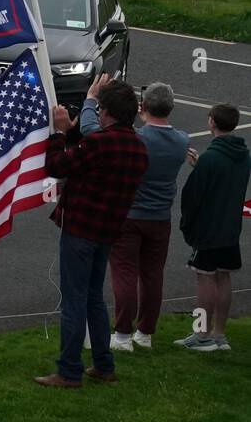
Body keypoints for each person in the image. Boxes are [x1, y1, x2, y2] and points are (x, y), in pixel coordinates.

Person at [36, 80, 148, 388]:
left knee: (73, 300)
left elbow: (57, 166)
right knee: (93, 298)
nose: (96, 115)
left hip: (80, 229)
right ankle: (103, 363)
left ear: (108, 113)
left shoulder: (100, 143)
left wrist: (59, 134)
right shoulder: (138, 146)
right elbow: (88, 161)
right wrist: (72, 134)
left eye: (99, 110)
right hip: (108, 231)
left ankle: (69, 370)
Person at [79, 77, 189, 351]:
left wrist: (91, 100)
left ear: (142, 107)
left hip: (129, 214)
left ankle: (124, 334)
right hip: (161, 217)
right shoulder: (181, 140)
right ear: (171, 107)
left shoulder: (138, 139)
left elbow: (92, 131)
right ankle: (145, 332)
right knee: (153, 275)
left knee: (124, 273)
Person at [176, 103, 249, 351]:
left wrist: (187, 224)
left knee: (205, 278)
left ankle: (202, 334)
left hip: (208, 229)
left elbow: (193, 196)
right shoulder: (243, 156)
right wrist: (201, 167)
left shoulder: (211, 158)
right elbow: (224, 182)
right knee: (223, 275)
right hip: (230, 228)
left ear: (211, 122)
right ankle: (219, 333)